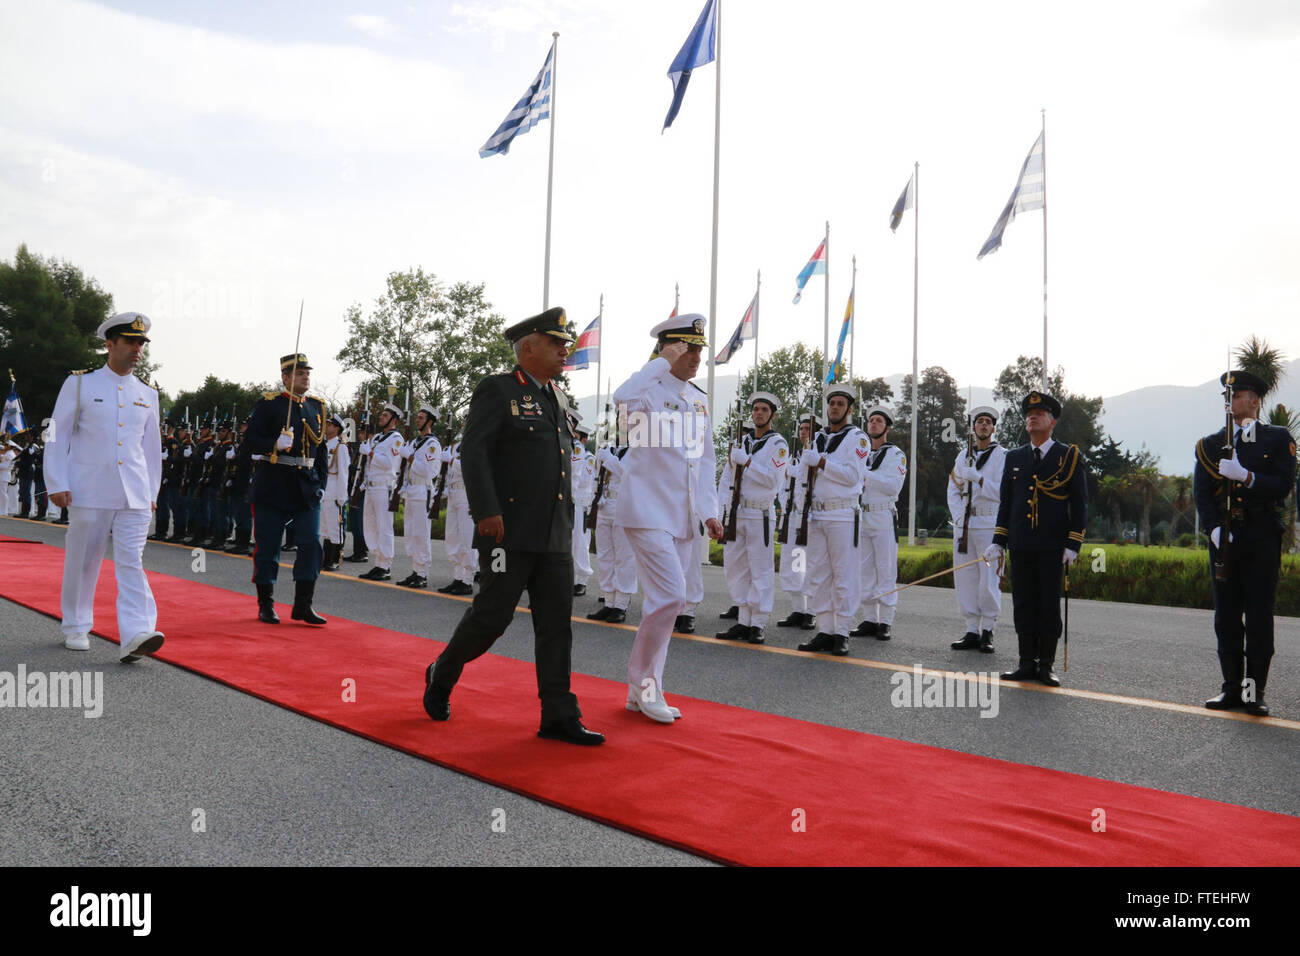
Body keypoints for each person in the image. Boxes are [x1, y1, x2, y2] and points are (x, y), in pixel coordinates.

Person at [422, 307, 604, 745]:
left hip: (554, 533)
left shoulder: (559, 398)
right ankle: (442, 672)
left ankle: (559, 714)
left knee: (557, 623)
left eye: (566, 343)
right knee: (492, 617)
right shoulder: (499, 390)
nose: (565, 350)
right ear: (528, 347)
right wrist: (487, 511)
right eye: (557, 343)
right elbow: (474, 452)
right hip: (507, 531)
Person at [613, 315, 724, 723]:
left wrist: (709, 512)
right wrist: (660, 361)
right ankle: (646, 687)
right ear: (669, 348)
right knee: (671, 598)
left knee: (665, 604)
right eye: (688, 348)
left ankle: (640, 689)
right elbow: (621, 401)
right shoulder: (646, 390)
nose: (696, 356)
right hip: (646, 509)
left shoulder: (698, 398)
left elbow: (705, 460)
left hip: (681, 515)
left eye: (699, 349)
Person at [43, 312, 164, 661]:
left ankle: (137, 632)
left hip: (135, 492)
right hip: (88, 488)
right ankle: (77, 625)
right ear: (110, 344)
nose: (137, 349)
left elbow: (151, 449)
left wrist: (152, 492)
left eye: (141, 343)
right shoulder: (80, 383)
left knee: (132, 561)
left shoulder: (147, 394)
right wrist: (56, 481)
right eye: (130, 341)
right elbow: (56, 434)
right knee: (84, 559)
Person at [1193, 369, 1296, 717]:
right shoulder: (1210, 444)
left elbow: (1283, 485)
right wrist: (1213, 529)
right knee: (1226, 615)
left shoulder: (1277, 438)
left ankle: (1254, 692)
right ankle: (1230, 689)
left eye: (1237, 395)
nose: (1230, 400)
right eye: (1227, 395)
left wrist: (1248, 477)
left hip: (1261, 537)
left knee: (1258, 616)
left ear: (1255, 401)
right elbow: (1202, 494)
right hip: (1225, 540)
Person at [983, 391, 1088, 686]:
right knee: (1024, 603)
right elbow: (1007, 503)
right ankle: (1025, 662)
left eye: (1040, 414)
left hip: (1053, 546)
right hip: (1021, 544)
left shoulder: (1068, 457)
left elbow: (1079, 504)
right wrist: (998, 540)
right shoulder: (1014, 457)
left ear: (1052, 422)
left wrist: (1073, 543)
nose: (1032, 417)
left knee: (1048, 605)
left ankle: (1046, 665)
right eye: (1029, 414)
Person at [244, 353, 329, 626]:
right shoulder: (269, 405)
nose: (305, 376)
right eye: (299, 373)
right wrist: (273, 444)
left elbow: (321, 451)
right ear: (285, 377)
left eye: (307, 372)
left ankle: (303, 604)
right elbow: (250, 442)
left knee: (310, 543)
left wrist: (322, 485)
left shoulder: (317, 407)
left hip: (306, 487)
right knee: (268, 546)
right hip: (274, 483)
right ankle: (266, 604)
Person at [796, 384, 868, 657]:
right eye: (831, 403)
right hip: (817, 512)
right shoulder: (819, 438)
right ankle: (825, 628)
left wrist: (822, 462)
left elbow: (853, 476)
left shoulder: (857, 438)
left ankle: (842, 631)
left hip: (842, 513)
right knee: (818, 573)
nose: (834, 407)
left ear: (849, 409)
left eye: (840, 403)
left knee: (844, 574)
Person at [716, 391, 788, 645]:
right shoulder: (743, 442)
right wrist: (721, 512)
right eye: (756, 409)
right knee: (736, 566)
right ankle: (743, 619)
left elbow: (772, 480)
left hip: (760, 511)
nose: (758, 413)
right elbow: (726, 480)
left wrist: (746, 463)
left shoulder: (778, 445)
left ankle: (757, 623)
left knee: (760, 568)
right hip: (737, 511)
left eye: (763, 410)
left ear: (772, 415)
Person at [947, 405, 1007, 653]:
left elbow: (1006, 492)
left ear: (993, 428)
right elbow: (952, 489)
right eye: (979, 422)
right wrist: (959, 516)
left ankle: (988, 630)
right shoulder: (963, 456)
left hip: (989, 523)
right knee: (966, 579)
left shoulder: (1003, 456)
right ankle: (972, 629)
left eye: (987, 422)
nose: (983, 425)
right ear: (973, 428)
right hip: (965, 525)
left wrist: (980, 479)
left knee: (988, 580)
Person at [849, 406, 907, 641]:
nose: (873, 423)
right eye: (871, 420)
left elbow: (893, 486)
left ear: (887, 427)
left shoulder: (895, 455)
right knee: (864, 571)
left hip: (883, 515)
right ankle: (870, 618)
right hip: (862, 514)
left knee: (885, 569)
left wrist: (865, 475)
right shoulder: (861, 454)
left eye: (878, 421)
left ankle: (886, 620)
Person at [776, 412, 819, 630]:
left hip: (810, 516)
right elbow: (783, 488)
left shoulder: (817, 455)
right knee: (793, 563)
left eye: (807, 429)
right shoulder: (794, 457)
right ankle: (798, 609)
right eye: (801, 429)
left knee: (811, 564)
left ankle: (811, 611)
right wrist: (786, 507)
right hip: (793, 516)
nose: (803, 433)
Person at [587, 441, 638, 624]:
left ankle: (621, 605)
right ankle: (609, 601)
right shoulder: (608, 447)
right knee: (605, 556)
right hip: (604, 506)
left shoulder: (638, 449)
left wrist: (610, 460)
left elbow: (631, 476)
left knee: (624, 557)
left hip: (623, 507)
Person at [396, 404, 442, 589]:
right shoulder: (415, 442)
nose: (417, 420)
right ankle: (415, 570)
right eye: (417, 417)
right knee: (411, 533)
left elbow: (430, 472)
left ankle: (422, 573)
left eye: (421, 418)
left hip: (423, 492)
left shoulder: (432, 445)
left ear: (430, 422)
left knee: (421, 534)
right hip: (411, 491)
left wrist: (412, 458)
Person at [358, 403, 405, 581]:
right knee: (370, 525)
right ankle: (378, 562)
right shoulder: (377, 438)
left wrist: (370, 454)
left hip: (384, 486)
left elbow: (390, 464)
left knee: (384, 527)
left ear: (393, 420)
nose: (381, 417)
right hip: (371, 485)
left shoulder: (396, 439)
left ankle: (385, 566)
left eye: (385, 416)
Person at [436, 432, 476, 595]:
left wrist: (452, 460)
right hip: (453, 494)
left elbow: (471, 466)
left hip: (467, 495)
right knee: (453, 537)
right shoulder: (457, 445)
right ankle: (458, 576)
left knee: (467, 539)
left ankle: (467, 580)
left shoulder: (476, 442)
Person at [569, 416, 597, 596]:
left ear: (583, 439)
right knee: (568, 543)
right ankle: (570, 578)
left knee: (580, 543)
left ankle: (582, 580)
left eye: (576, 435)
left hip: (580, 504)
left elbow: (583, 480)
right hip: (571, 502)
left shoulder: (588, 457)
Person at [320, 413, 351, 571]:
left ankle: (334, 560)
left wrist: (341, 497)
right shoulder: (324, 445)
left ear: (337, 428)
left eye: (330, 424)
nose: (327, 426)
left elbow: (343, 474)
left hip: (334, 492)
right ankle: (325, 558)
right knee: (324, 528)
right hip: (324, 491)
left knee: (335, 528)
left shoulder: (341, 447)